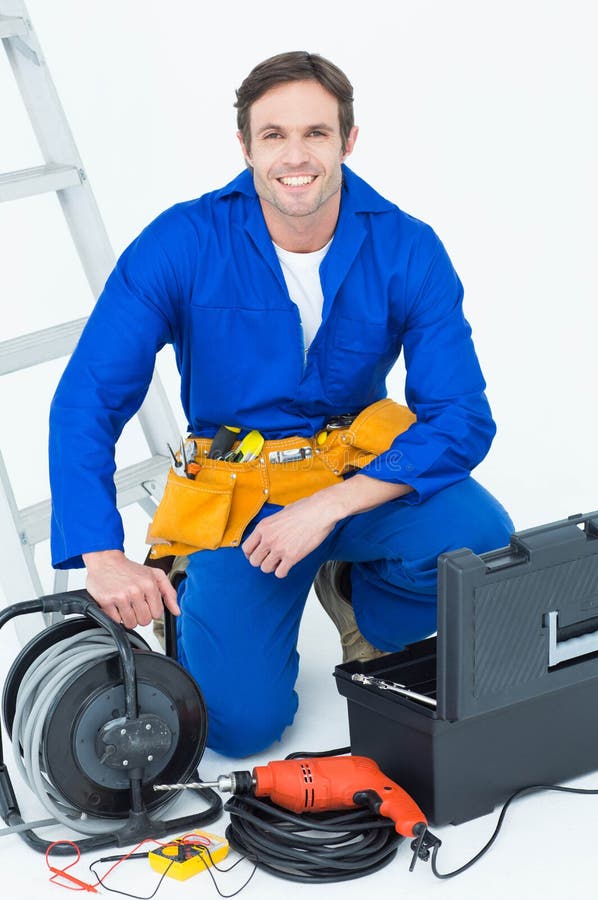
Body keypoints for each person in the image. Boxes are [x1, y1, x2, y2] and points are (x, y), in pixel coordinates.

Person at [49, 51, 513, 758]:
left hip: (356, 479)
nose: (296, 156)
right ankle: (209, 586)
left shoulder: (407, 247)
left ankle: (360, 596)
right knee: (239, 730)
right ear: (245, 147)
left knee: (482, 541)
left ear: (347, 140)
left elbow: (461, 415)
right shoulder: (182, 241)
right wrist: (102, 554)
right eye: (273, 136)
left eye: (316, 134)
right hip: (240, 497)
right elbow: (88, 396)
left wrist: (329, 506)